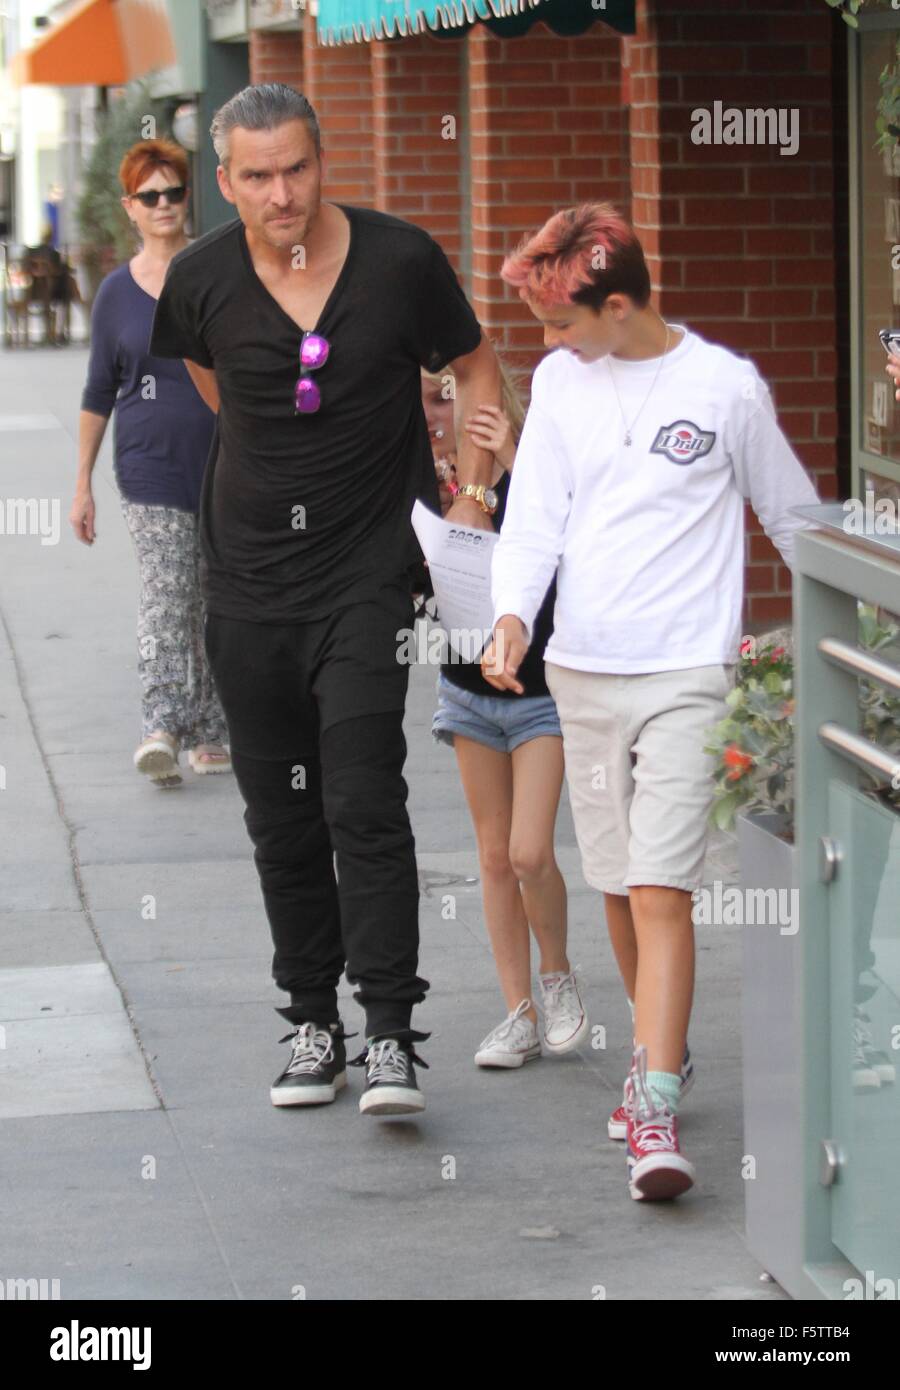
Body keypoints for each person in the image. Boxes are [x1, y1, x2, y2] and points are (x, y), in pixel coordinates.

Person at [148, 83, 502, 1116]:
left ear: (321, 159)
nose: (281, 192)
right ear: (226, 183)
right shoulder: (202, 278)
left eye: (296, 167)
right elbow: (223, 390)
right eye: (255, 176)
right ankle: (314, 1021)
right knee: (283, 819)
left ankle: (390, 1031)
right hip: (248, 586)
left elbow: (478, 370)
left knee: (362, 795)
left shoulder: (400, 261)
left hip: (368, 577)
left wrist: (473, 494)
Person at [483, 202, 820, 1200]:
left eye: (563, 322)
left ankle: (657, 1106)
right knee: (623, 889)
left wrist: (841, 633)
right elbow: (535, 519)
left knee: (666, 889)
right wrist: (510, 616)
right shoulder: (557, 382)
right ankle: (651, 1053)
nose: (549, 344)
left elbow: (793, 520)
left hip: (687, 676)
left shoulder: (724, 388)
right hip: (580, 674)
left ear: (619, 303)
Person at [423, 359, 588, 1067]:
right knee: (493, 857)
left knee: (529, 852)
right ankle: (516, 1011)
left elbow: (571, 545)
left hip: (540, 694)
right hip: (466, 692)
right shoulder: (417, 477)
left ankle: (558, 978)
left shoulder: (534, 469)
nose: (444, 415)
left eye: (453, 398)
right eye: (432, 401)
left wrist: (516, 463)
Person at [70, 139, 230, 786]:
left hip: (224, 464)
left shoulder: (218, 271)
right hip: (149, 470)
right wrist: (80, 483)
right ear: (129, 208)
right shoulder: (115, 294)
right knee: (169, 595)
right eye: (150, 196)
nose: (165, 205)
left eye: (174, 192)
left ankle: (211, 726)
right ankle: (162, 724)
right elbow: (96, 390)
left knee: (215, 601)